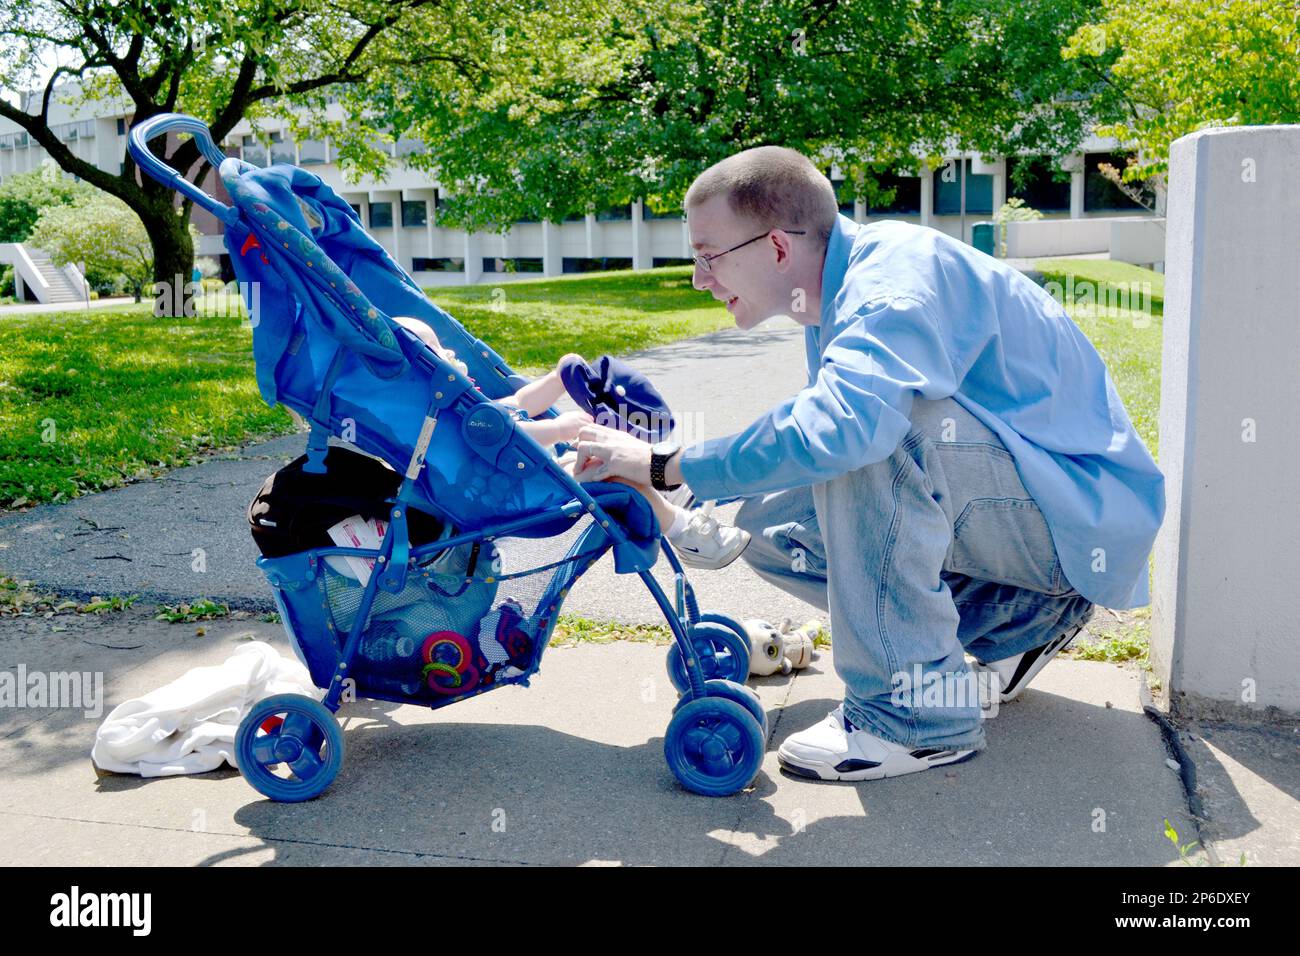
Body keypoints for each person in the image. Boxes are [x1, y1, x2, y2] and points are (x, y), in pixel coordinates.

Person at [573, 146, 1165, 783]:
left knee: (870, 438)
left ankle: (911, 720)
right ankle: (1019, 625)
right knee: (773, 526)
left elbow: (846, 431)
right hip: (1031, 525)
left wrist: (668, 464)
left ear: (775, 247)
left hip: (1077, 518)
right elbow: (811, 443)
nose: (698, 277)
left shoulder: (887, 286)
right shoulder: (838, 291)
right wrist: (672, 494)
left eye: (708, 255)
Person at [389, 315, 750, 569]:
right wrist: (559, 430)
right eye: (436, 350)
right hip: (517, 499)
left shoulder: (472, 409)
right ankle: (687, 535)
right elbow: (513, 434)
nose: (450, 352)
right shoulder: (462, 423)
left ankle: (666, 488)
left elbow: (522, 402)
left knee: (604, 448)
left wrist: (559, 376)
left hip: (534, 482)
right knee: (608, 471)